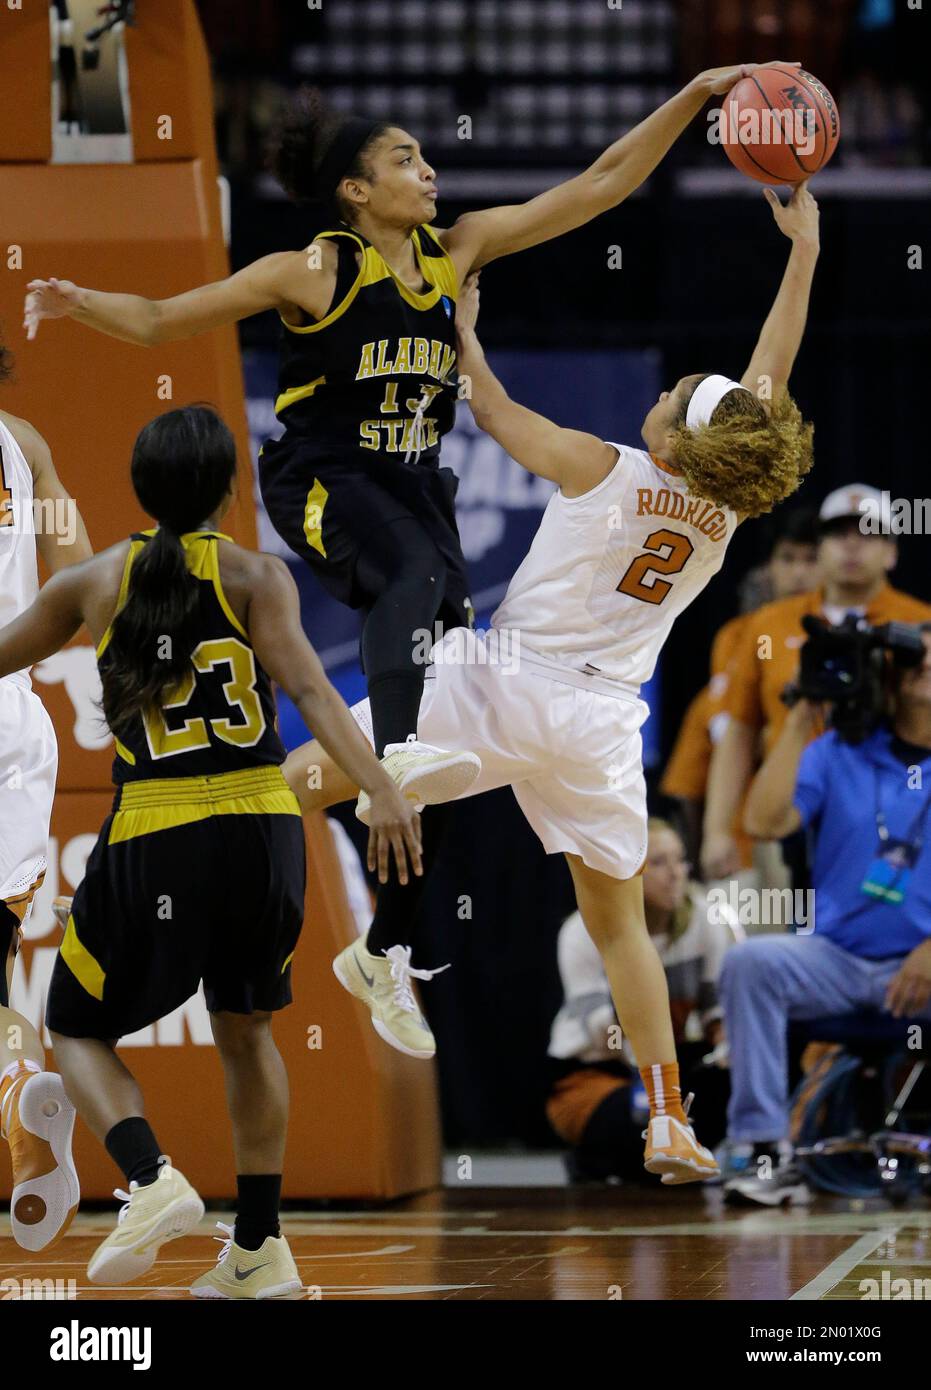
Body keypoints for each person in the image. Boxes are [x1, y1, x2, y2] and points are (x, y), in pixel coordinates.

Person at [22, 62, 799, 1003]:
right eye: (405, 158)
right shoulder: (312, 268)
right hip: (322, 476)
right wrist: (77, 302)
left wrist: (692, 96)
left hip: (414, 490)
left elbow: (599, 185)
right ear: (356, 189)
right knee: (411, 590)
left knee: (442, 675)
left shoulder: (455, 251)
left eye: (426, 156)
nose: (429, 169)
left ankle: (385, 946)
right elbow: (157, 321)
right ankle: (388, 763)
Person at [280, 178, 820, 1183]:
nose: (660, 396)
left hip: (506, 682)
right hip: (604, 720)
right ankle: (668, 1117)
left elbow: (486, 405)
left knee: (305, 781)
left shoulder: (601, 465)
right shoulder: (727, 509)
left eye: (671, 396)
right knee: (622, 933)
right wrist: (803, 250)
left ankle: (202, 839)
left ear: (674, 435)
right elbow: (768, 382)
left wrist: (466, 327)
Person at [0, 405, 421, 1298]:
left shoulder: (98, 581)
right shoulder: (257, 575)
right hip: (264, 829)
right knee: (246, 1029)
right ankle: (260, 1250)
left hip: (157, 826)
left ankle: (151, 1179)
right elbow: (311, 690)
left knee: (73, 1026)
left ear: (139, 489)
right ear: (230, 493)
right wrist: (380, 787)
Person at [719, 624, 931, 1206]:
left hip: (922, 966)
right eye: (918, 652)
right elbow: (763, 823)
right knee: (751, 963)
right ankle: (764, 1146)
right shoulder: (837, 752)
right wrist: (799, 715)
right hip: (834, 957)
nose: (926, 662)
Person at [702, 486, 931, 881]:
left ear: (892, 552)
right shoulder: (767, 624)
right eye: (839, 534)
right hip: (786, 811)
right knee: (784, 934)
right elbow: (739, 731)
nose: (852, 545)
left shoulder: (920, 626)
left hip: (891, 815)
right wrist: (717, 830)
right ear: (820, 547)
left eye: (868, 533)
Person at [0, 339, 92, 1251]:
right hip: (18, 722)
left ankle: (18, 1104)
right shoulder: (23, 440)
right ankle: (28, 1137)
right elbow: (79, 566)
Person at [546, 819, 738, 1184]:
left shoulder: (703, 921)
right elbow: (606, 1036)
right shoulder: (579, 931)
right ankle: (595, 1161)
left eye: (680, 860)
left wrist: (727, 1044)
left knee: (729, 1085)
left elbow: (716, 1012)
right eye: (660, 863)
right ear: (630, 870)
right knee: (631, 1123)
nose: (676, 874)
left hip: (672, 1066)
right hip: (600, 1072)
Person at [661, 508, 818, 878]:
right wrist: (714, 835)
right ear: (768, 567)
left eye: (811, 559)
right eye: (787, 558)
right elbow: (726, 730)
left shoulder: (854, 628)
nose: (799, 572)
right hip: (754, 830)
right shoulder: (740, 635)